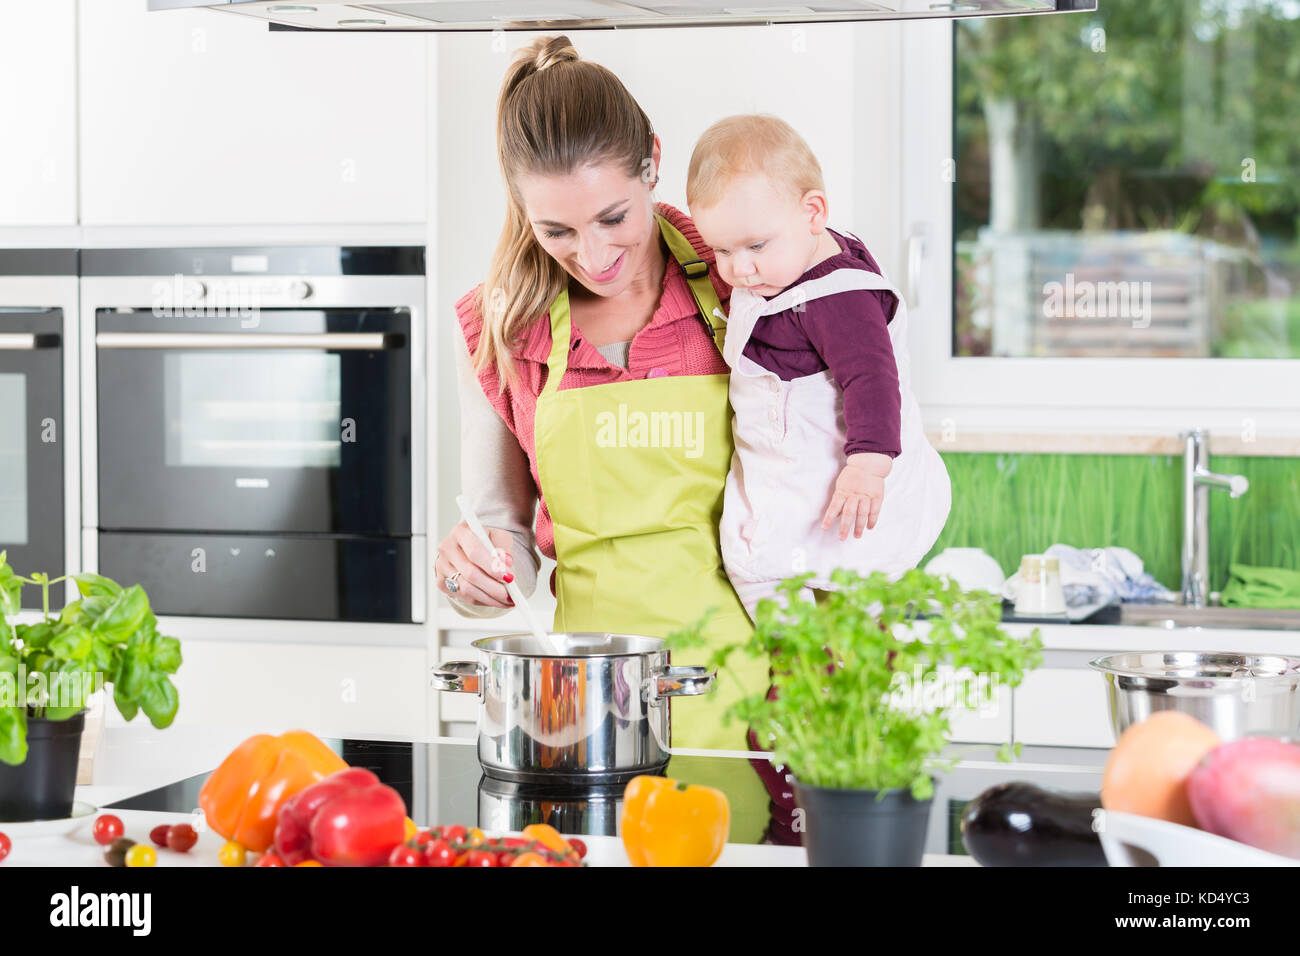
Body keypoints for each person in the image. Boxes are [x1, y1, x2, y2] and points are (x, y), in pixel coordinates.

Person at [436, 34, 772, 841]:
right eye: (555, 231)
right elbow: (503, 533)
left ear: (653, 160)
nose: (593, 256)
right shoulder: (500, 325)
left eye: (613, 217)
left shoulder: (743, 279)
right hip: (581, 721)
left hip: (755, 702)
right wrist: (469, 572)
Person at [686, 114, 952, 621]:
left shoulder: (840, 297)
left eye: (755, 246)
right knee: (780, 568)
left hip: (844, 478)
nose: (739, 269)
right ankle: (819, 666)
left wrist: (868, 466)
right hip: (785, 467)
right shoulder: (782, 262)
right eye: (721, 250)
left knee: (756, 564)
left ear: (813, 213)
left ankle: (811, 668)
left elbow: (874, 378)